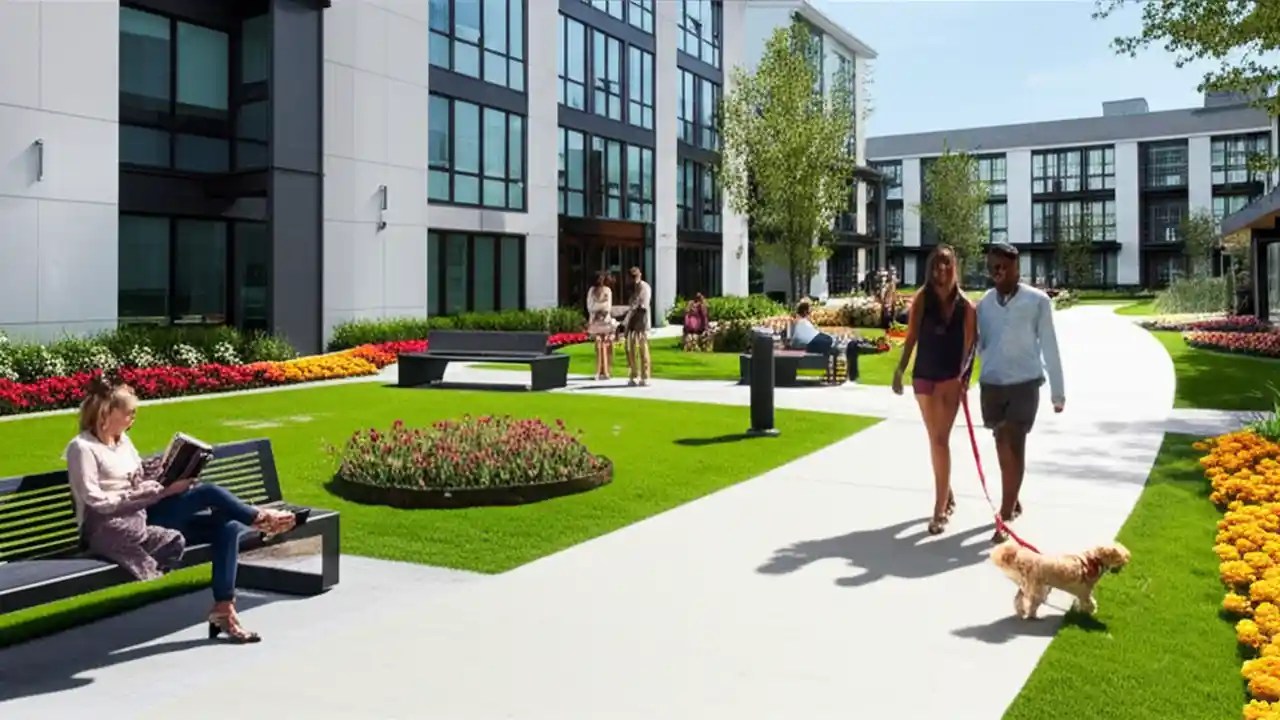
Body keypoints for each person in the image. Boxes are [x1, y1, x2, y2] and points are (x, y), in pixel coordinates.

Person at [66, 377, 300, 643]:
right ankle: (260, 518)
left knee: (227, 527)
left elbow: (141, 480)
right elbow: (95, 499)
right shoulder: (82, 448)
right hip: (112, 528)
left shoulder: (123, 443)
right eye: (129, 412)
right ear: (107, 413)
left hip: (146, 514)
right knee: (208, 493)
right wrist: (161, 491)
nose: (134, 418)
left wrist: (170, 474)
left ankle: (224, 607)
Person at [976, 242, 1065, 544]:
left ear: (1016, 267)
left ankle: (1004, 514)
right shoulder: (984, 304)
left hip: (1025, 383)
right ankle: (1012, 497)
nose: (996, 272)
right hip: (992, 384)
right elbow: (978, 345)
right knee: (1006, 448)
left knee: (1011, 439)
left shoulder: (1037, 301)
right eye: (991, 268)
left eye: (1001, 266)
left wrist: (1058, 392)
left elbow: (1050, 344)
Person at [891, 245, 977, 535]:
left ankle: (939, 511)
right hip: (924, 378)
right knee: (935, 440)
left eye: (947, 265)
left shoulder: (966, 306)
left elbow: (970, 345)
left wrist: (964, 379)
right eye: (937, 266)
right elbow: (911, 336)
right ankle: (947, 492)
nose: (942, 270)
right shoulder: (922, 299)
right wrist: (900, 369)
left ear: (955, 267)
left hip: (949, 380)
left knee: (940, 440)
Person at [790, 299, 860, 384]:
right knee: (843, 346)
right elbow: (813, 336)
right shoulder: (803, 323)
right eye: (810, 311)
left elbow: (803, 337)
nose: (812, 313)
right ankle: (848, 375)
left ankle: (834, 375)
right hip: (813, 344)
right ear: (805, 312)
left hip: (812, 344)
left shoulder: (798, 323)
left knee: (837, 346)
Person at [622, 266, 652, 386]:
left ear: (640, 275)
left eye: (635, 276)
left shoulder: (644, 287)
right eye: (632, 277)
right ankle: (633, 374)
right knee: (631, 348)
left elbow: (642, 304)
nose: (633, 279)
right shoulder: (631, 289)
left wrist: (628, 315)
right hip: (633, 321)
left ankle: (645, 375)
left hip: (641, 319)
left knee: (642, 347)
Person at [586, 272, 616, 380]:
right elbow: (590, 306)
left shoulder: (608, 290)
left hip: (605, 321)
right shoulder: (591, 291)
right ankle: (598, 371)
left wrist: (602, 310)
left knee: (606, 344)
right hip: (595, 321)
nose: (600, 280)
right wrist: (597, 311)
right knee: (598, 344)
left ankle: (606, 371)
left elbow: (608, 306)